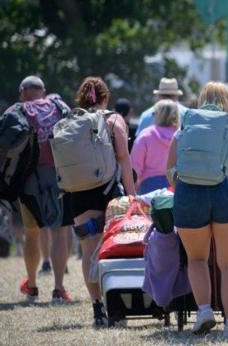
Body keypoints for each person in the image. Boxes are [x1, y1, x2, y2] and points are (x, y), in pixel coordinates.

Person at [167, 82, 228, 338]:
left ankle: (204, 311)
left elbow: (170, 170)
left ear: (201, 100)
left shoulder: (184, 129)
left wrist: (185, 189)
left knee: (196, 259)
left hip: (189, 192)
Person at [66, 77, 135, 327]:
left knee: (88, 251)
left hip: (78, 192)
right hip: (107, 192)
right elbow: (124, 159)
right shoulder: (114, 120)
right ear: (105, 97)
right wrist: (132, 195)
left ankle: (97, 307)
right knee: (111, 250)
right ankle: (114, 304)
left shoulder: (72, 121)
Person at [12, 76, 73, 303]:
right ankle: (58, 289)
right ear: (43, 91)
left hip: (29, 181)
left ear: (23, 92)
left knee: (32, 233)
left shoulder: (17, 111)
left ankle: (32, 286)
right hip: (58, 177)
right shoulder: (59, 107)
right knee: (59, 232)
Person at [131, 100, 179, 194]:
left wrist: (133, 190)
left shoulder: (146, 135)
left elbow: (135, 167)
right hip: (174, 186)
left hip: (148, 187)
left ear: (157, 114)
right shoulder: (180, 135)